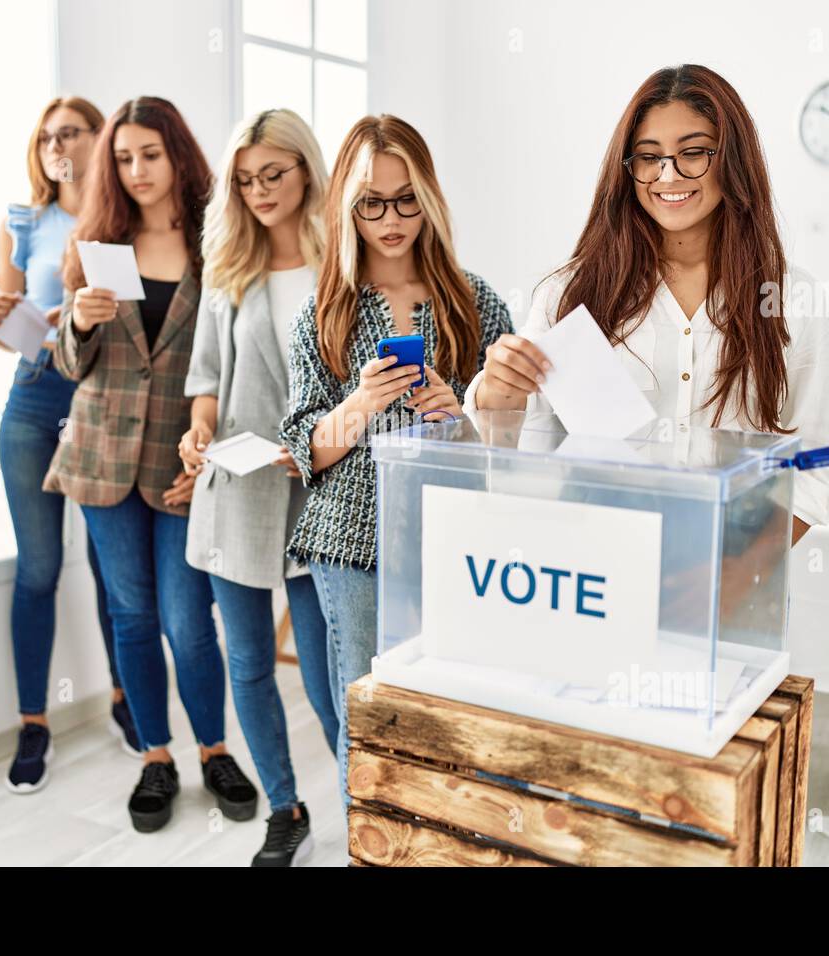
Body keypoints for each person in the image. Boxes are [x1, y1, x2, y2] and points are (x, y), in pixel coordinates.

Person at [465, 64, 829, 545]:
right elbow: (527, 459)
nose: (668, 175)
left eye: (693, 153)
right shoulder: (568, 296)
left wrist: (734, 576)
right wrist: (498, 397)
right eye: (649, 157)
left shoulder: (790, 298)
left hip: (738, 588)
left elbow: (816, 461)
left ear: (733, 160)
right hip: (594, 573)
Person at [279, 114, 514, 805]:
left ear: (430, 200)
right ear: (347, 209)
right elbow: (303, 448)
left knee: (452, 703)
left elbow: (508, 441)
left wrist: (458, 413)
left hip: (455, 533)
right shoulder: (324, 310)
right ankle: (377, 835)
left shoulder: (475, 301)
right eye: (372, 203)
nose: (391, 219)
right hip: (350, 544)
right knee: (368, 706)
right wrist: (359, 403)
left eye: (407, 200)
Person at [43, 96, 258, 833]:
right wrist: (76, 323)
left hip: (182, 462)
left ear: (178, 157)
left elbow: (229, 367)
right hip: (103, 460)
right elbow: (71, 366)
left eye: (151, 155)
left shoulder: (218, 243)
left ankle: (216, 749)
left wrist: (209, 455)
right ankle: (156, 757)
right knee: (131, 617)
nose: (137, 171)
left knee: (188, 620)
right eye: (125, 158)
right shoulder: (96, 241)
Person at [179, 108, 338, 866]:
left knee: (328, 671)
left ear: (307, 168)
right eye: (244, 180)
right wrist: (199, 428)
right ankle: (286, 807)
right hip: (239, 486)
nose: (260, 190)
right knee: (246, 663)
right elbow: (207, 377)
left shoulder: (342, 258)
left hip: (320, 488)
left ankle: (366, 804)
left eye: (274, 173)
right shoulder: (229, 267)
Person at [0, 96, 135, 795]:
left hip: (99, 402)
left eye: (70, 133)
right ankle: (33, 723)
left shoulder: (120, 225)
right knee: (37, 568)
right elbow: (13, 324)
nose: (56, 145)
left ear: (99, 141)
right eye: (45, 136)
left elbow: (132, 331)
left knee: (111, 567)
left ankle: (129, 702)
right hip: (33, 400)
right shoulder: (22, 222)